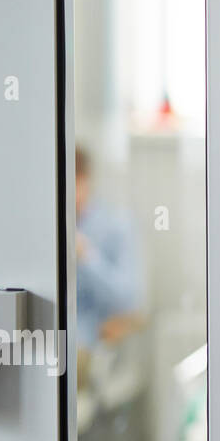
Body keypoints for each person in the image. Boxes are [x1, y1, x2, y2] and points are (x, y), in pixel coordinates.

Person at [75, 146, 142, 349]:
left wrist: (87, 257)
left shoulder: (117, 225)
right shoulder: (48, 228)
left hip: (98, 351)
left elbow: (128, 299)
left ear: (85, 180)